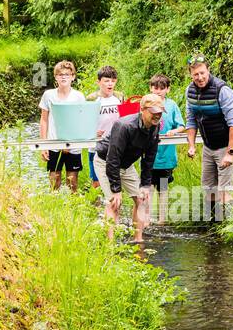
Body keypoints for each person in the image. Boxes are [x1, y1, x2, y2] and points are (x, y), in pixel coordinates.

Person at [95, 92, 164, 243]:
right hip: (105, 161)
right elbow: (112, 158)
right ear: (142, 110)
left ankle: (137, 241)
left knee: (142, 199)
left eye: (159, 113)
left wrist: (145, 185)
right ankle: (110, 245)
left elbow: (149, 158)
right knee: (114, 202)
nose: (157, 116)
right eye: (153, 113)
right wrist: (116, 189)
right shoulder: (124, 125)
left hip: (126, 164)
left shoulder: (155, 126)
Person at [183, 53, 233, 223]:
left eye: (202, 73)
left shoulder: (222, 90)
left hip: (227, 144)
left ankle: (229, 225)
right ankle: (214, 225)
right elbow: (191, 119)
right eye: (196, 74)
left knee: (225, 190)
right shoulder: (190, 91)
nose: (200, 77)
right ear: (190, 74)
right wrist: (192, 145)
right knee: (209, 188)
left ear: (208, 70)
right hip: (209, 146)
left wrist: (230, 152)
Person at [37, 60, 86, 191]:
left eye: (67, 74)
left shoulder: (79, 97)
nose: (63, 77)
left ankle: (73, 209)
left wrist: (70, 142)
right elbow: (44, 120)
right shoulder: (48, 95)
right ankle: (55, 208)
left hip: (73, 144)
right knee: (54, 181)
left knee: (73, 182)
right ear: (56, 77)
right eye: (60, 74)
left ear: (73, 77)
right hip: (54, 143)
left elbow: (81, 122)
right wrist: (43, 145)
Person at [147, 73, 185, 224]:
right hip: (149, 155)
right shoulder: (146, 104)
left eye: (161, 88)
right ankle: (148, 219)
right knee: (148, 188)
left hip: (166, 156)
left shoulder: (172, 105)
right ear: (150, 88)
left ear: (167, 90)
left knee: (163, 189)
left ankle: (162, 220)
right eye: (155, 88)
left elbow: (182, 126)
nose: (158, 91)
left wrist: (173, 131)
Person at [87, 65, 124, 189]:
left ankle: (114, 206)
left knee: (115, 182)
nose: (110, 84)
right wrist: (92, 131)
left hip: (115, 146)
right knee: (97, 183)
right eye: (106, 81)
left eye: (113, 81)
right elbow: (83, 123)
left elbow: (125, 120)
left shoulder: (120, 98)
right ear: (98, 82)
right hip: (96, 146)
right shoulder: (91, 99)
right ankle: (97, 207)